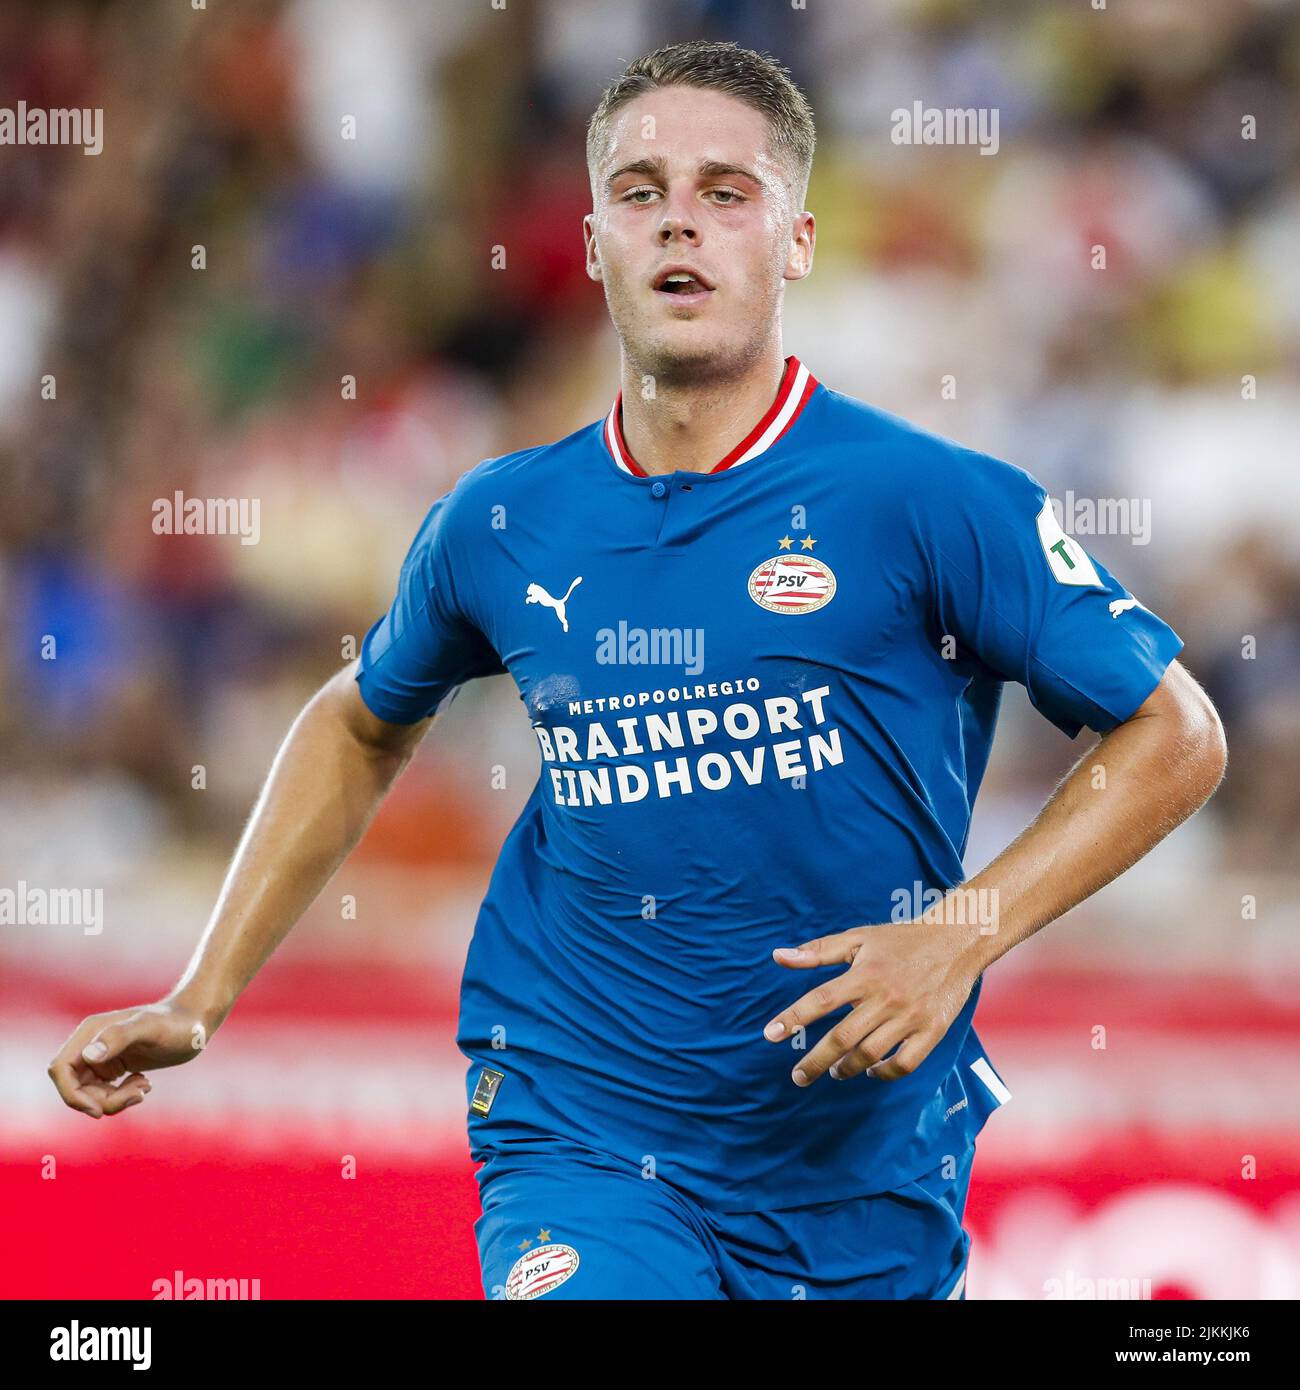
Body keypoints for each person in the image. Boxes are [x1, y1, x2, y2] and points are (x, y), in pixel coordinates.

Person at [49, 40, 1227, 1300]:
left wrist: (962, 932)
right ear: (596, 237)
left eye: (727, 192)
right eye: (640, 188)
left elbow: (1176, 732)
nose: (681, 222)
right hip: (579, 1129)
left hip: (855, 1162)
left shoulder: (931, 502)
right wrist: (202, 995)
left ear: (798, 240)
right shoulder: (499, 523)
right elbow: (359, 721)